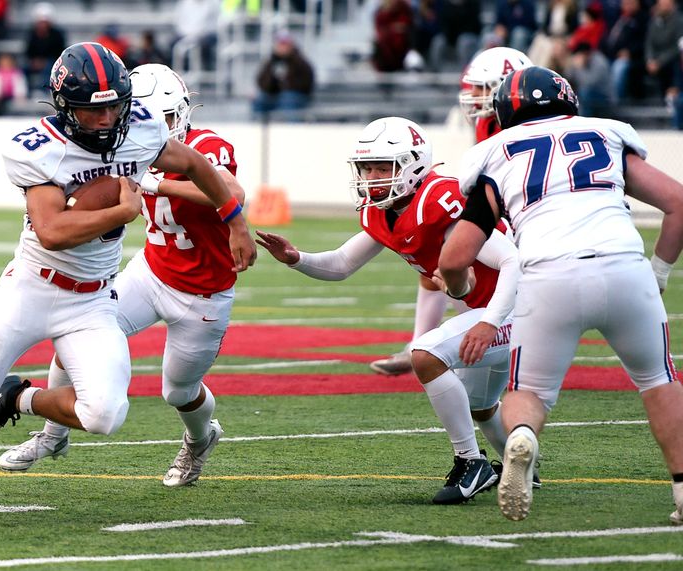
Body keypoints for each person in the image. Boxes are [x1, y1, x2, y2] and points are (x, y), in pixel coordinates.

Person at [0, 42, 256, 524]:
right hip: (31, 288)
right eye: (93, 110)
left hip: (92, 301)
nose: (106, 120)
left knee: (105, 413)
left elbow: (194, 164)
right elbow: (52, 231)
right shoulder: (39, 148)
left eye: (113, 106)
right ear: (66, 108)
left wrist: (235, 222)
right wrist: (122, 210)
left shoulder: (141, 127)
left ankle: (18, 397)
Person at [441, 66, 683, 524]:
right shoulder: (604, 134)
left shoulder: (494, 153)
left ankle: (524, 436)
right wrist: (660, 270)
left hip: (548, 274)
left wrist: (459, 288)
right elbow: (679, 202)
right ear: (568, 99)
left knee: (527, 390)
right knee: (658, 379)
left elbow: (455, 258)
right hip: (622, 263)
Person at [0, 63, 248, 487]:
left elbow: (230, 192)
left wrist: (154, 185)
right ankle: (53, 436)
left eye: (167, 120)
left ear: (183, 114)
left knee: (179, 392)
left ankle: (199, 439)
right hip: (150, 273)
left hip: (204, 293)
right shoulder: (120, 141)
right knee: (75, 334)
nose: (158, 130)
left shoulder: (206, 145)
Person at [256, 116, 521, 504]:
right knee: (481, 405)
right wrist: (297, 258)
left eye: (383, 167)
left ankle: (470, 461)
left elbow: (513, 262)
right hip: (488, 309)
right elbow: (343, 263)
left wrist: (489, 323)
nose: (373, 177)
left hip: (521, 305)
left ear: (414, 164)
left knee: (426, 356)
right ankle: (523, 472)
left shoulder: (440, 199)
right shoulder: (383, 209)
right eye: (368, 168)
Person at [366, 46, 532, 378]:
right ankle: (422, 343)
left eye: (486, 89)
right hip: (505, 209)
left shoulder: (528, 128)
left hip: (530, 216)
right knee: (439, 258)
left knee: (471, 262)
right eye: (476, 88)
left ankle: (505, 339)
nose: (476, 97)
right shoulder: (489, 124)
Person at [252, 32, 315, 122]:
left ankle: (290, 129)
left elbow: (306, 83)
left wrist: (285, 86)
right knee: (260, 99)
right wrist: (272, 85)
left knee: (288, 98)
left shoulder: (300, 62)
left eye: (285, 44)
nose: (283, 47)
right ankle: (257, 127)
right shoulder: (270, 62)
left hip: (296, 96)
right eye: (280, 44)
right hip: (275, 96)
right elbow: (261, 81)